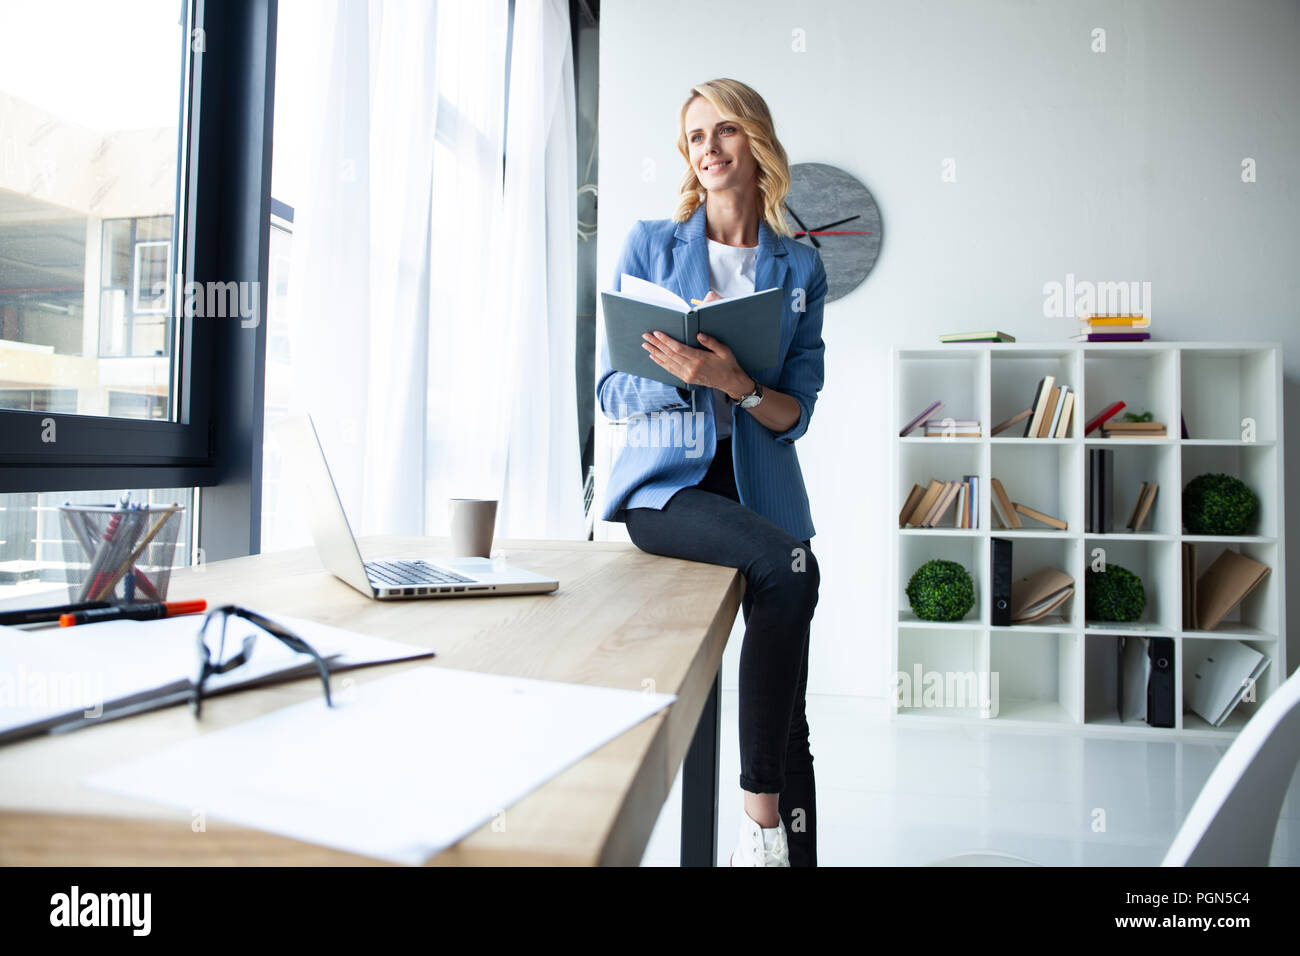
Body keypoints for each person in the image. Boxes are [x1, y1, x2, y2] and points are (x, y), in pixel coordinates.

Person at [596, 77, 827, 867]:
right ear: (689, 158)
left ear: (755, 143)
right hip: (669, 489)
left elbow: (796, 411)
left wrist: (740, 386)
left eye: (725, 131)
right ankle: (758, 814)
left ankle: (782, 850)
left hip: (761, 490)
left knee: (788, 713)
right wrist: (685, 372)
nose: (711, 148)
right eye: (696, 137)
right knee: (790, 568)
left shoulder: (800, 270)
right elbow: (611, 392)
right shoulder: (651, 244)